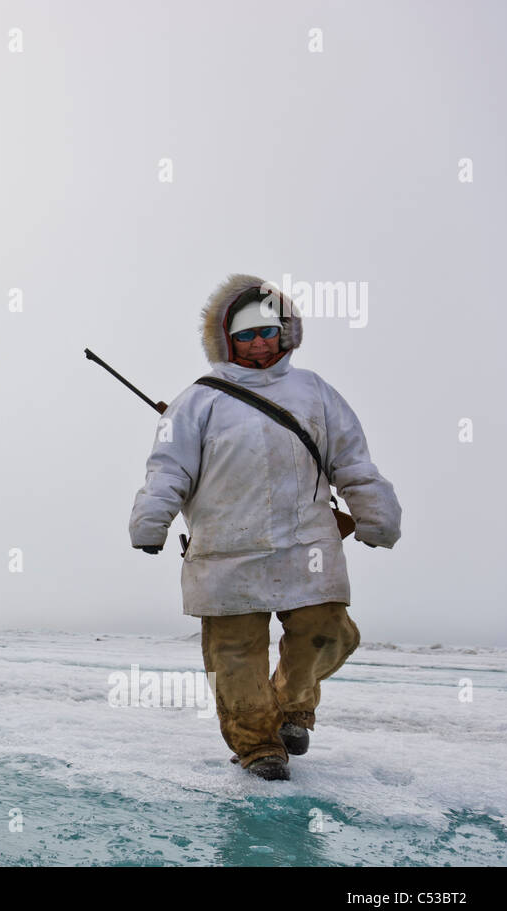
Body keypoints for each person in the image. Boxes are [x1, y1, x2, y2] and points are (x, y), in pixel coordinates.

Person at [128, 273, 401, 780]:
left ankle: (293, 704)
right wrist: (152, 519)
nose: (258, 342)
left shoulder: (316, 392)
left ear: (286, 331)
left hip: (307, 546)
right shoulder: (198, 400)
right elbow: (168, 468)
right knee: (234, 656)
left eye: (267, 330)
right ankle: (259, 747)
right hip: (224, 551)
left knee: (329, 633)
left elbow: (353, 461)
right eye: (245, 334)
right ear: (227, 340)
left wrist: (374, 511)